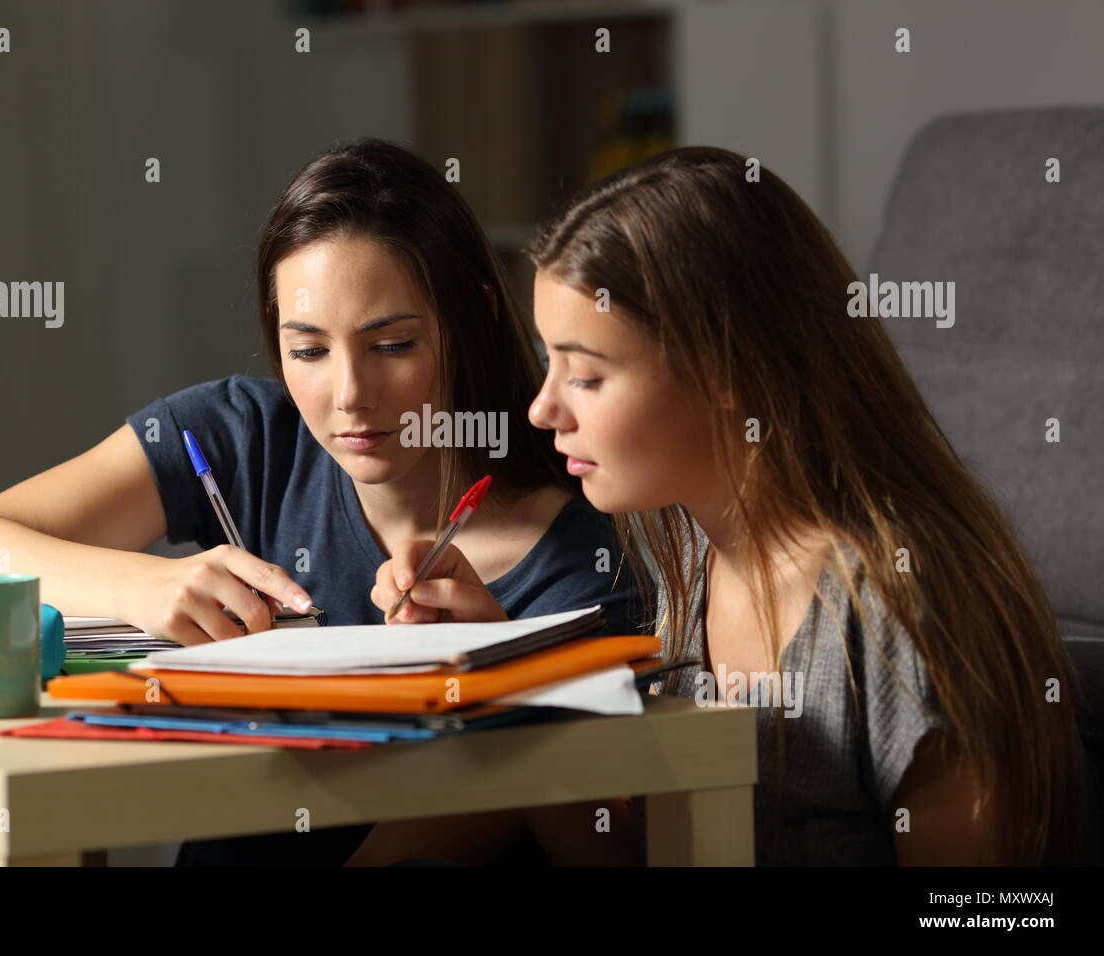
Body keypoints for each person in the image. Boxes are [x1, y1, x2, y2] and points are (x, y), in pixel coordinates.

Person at [0, 138, 641, 866]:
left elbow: (609, 851)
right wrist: (145, 583)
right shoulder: (245, 437)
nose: (349, 395)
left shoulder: (583, 562)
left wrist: (505, 680)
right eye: (309, 350)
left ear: (475, 317)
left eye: (392, 345)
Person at [371, 145, 1092, 865]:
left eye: (586, 375)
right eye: (547, 359)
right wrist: (506, 679)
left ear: (726, 369)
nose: (541, 408)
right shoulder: (690, 556)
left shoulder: (899, 599)